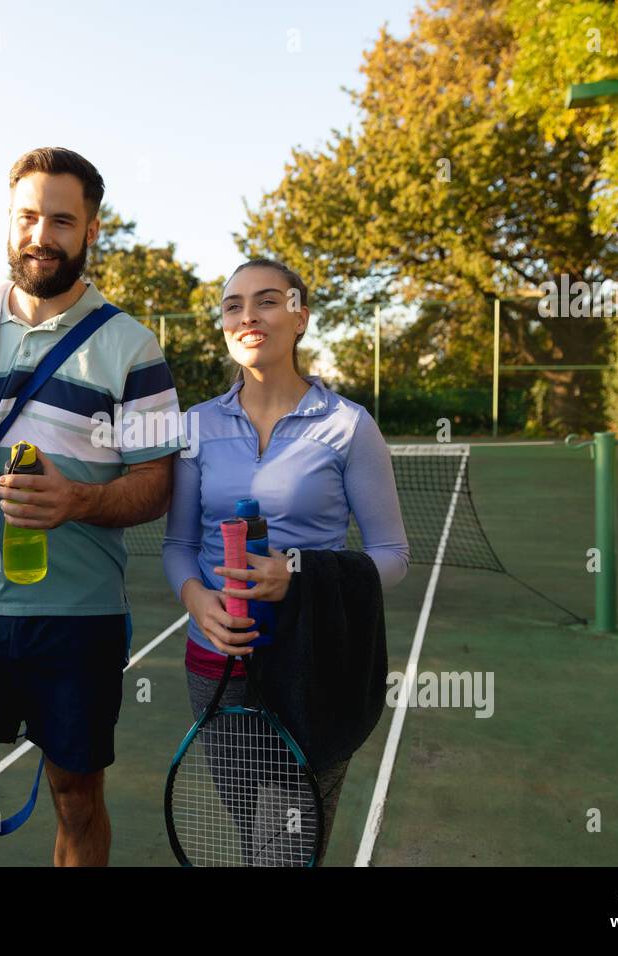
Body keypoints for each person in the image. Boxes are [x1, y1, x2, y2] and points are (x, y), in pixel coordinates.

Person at [0, 147, 182, 866]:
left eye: (59, 219)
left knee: (77, 803)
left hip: (77, 619)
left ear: (91, 229)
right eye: (26, 216)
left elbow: (158, 483)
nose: (39, 234)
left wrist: (75, 498)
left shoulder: (132, 346)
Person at [161, 257, 410, 860]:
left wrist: (295, 576)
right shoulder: (195, 427)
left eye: (268, 301)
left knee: (288, 849)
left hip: (313, 665)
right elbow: (179, 548)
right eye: (233, 306)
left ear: (300, 316)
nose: (249, 315)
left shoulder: (349, 426)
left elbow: (393, 556)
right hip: (216, 666)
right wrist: (200, 601)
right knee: (254, 837)